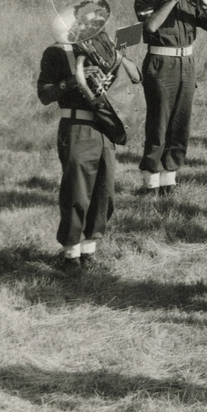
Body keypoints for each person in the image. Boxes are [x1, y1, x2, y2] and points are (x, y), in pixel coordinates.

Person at [37, 16, 140, 273]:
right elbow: (44, 94)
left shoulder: (105, 50)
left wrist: (119, 56)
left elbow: (136, 77)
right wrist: (73, 80)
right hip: (77, 126)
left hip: (104, 126)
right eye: (84, 26)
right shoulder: (57, 52)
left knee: (104, 193)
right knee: (77, 192)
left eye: (97, 26)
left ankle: (89, 251)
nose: (92, 30)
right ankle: (70, 254)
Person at [134, 0, 207, 196]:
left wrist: (203, 6)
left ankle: (169, 179)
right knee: (159, 123)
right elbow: (150, 26)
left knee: (180, 124)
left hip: (187, 63)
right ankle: (150, 181)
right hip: (161, 62)